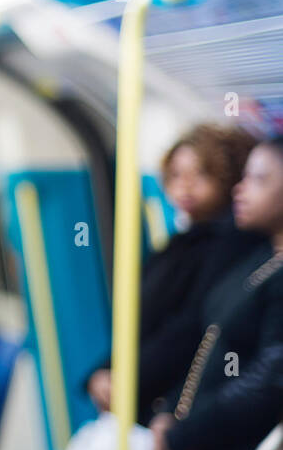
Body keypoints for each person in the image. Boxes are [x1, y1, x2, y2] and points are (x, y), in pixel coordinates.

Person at [150, 136, 283, 450]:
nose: (240, 189)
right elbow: (209, 345)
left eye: (259, 180)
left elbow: (267, 381)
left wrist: (186, 431)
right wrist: (170, 408)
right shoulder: (258, 261)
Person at [87, 124, 260, 424]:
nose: (185, 186)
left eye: (202, 174)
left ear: (230, 178)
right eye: (177, 174)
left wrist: (127, 379)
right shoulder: (178, 244)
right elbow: (144, 324)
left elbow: (188, 330)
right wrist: (104, 370)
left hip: (168, 401)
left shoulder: (228, 248)